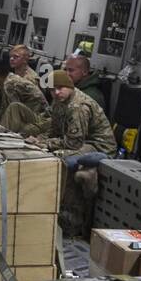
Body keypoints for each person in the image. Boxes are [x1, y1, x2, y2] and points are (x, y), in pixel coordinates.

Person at [33, 70, 117, 237]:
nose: (56, 93)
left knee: (63, 160)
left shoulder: (78, 106)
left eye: (60, 88)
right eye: (52, 90)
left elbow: (73, 143)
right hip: (80, 142)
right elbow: (54, 131)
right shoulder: (59, 101)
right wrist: (38, 140)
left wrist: (45, 144)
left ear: (70, 87)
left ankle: (71, 223)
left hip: (98, 146)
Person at [0, 55, 50, 136]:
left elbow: (9, 115)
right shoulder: (4, 82)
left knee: (12, 110)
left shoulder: (10, 84)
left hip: (40, 121)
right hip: (30, 118)